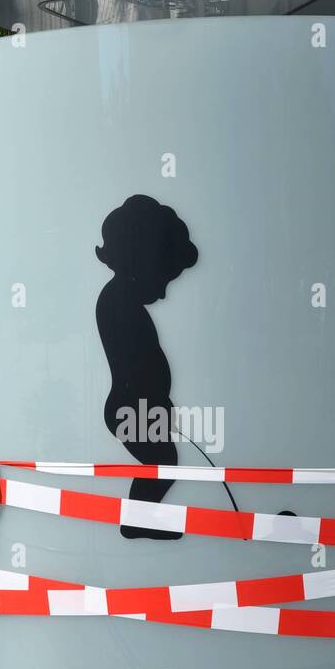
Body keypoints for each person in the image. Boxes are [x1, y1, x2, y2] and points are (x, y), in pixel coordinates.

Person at [95, 195, 198, 538]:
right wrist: (156, 399)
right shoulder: (117, 301)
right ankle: (137, 522)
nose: (164, 294)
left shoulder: (120, 299)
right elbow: (134, 362)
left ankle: (141, 520)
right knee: (162, 463)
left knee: (162, 462)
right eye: (162, 281)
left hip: (141, 404)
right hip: (130, 406)